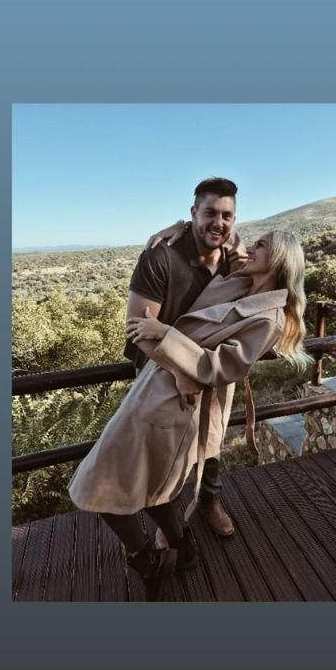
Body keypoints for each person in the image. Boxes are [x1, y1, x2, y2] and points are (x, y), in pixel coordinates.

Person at [68, 229, 311, 599]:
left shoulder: (269, 319)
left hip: (176, 399)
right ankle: (183, 547)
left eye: (261, 245)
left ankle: (146, 560)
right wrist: (182, 224)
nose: (251, 248)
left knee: (99, 481)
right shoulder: (241, 281)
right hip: (158, 384)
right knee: (157, 482)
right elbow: (221, 226)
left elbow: (222, 366)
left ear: (278, 259)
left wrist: (164, 332)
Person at [123, 177, 248, 540]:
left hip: (209, 365)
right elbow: (136, 328)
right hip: (160, 369)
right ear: (193, 212)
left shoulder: (233, 261)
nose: (218, 222)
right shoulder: (160, 257)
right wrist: (178, 371)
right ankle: (172, 522)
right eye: (210, 213)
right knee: (166, 450)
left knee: (211, 436)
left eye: (227, 215)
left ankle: (209, 501)